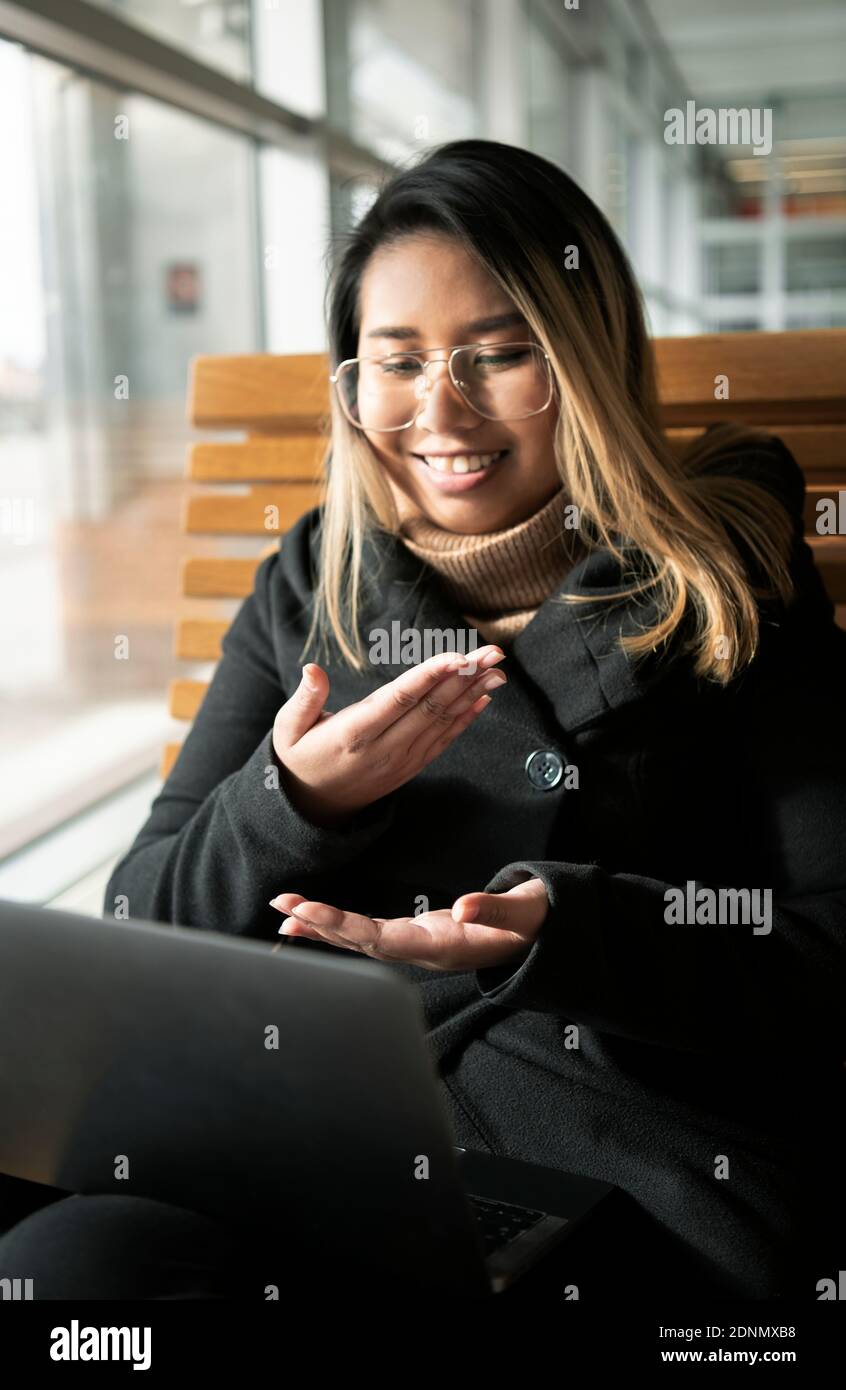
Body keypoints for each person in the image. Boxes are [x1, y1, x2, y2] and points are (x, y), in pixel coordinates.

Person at [2, 139, 844, 1301]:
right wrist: (293, 805)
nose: (439, 409)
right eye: (395, 362)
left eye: (499, 355)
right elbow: (142, 912)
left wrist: (566, 929)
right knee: (66, 1269)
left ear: (586, 362)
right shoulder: (314, 582)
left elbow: (828, 951)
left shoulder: (723, 583)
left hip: (614, 1156)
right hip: (316, 1138)